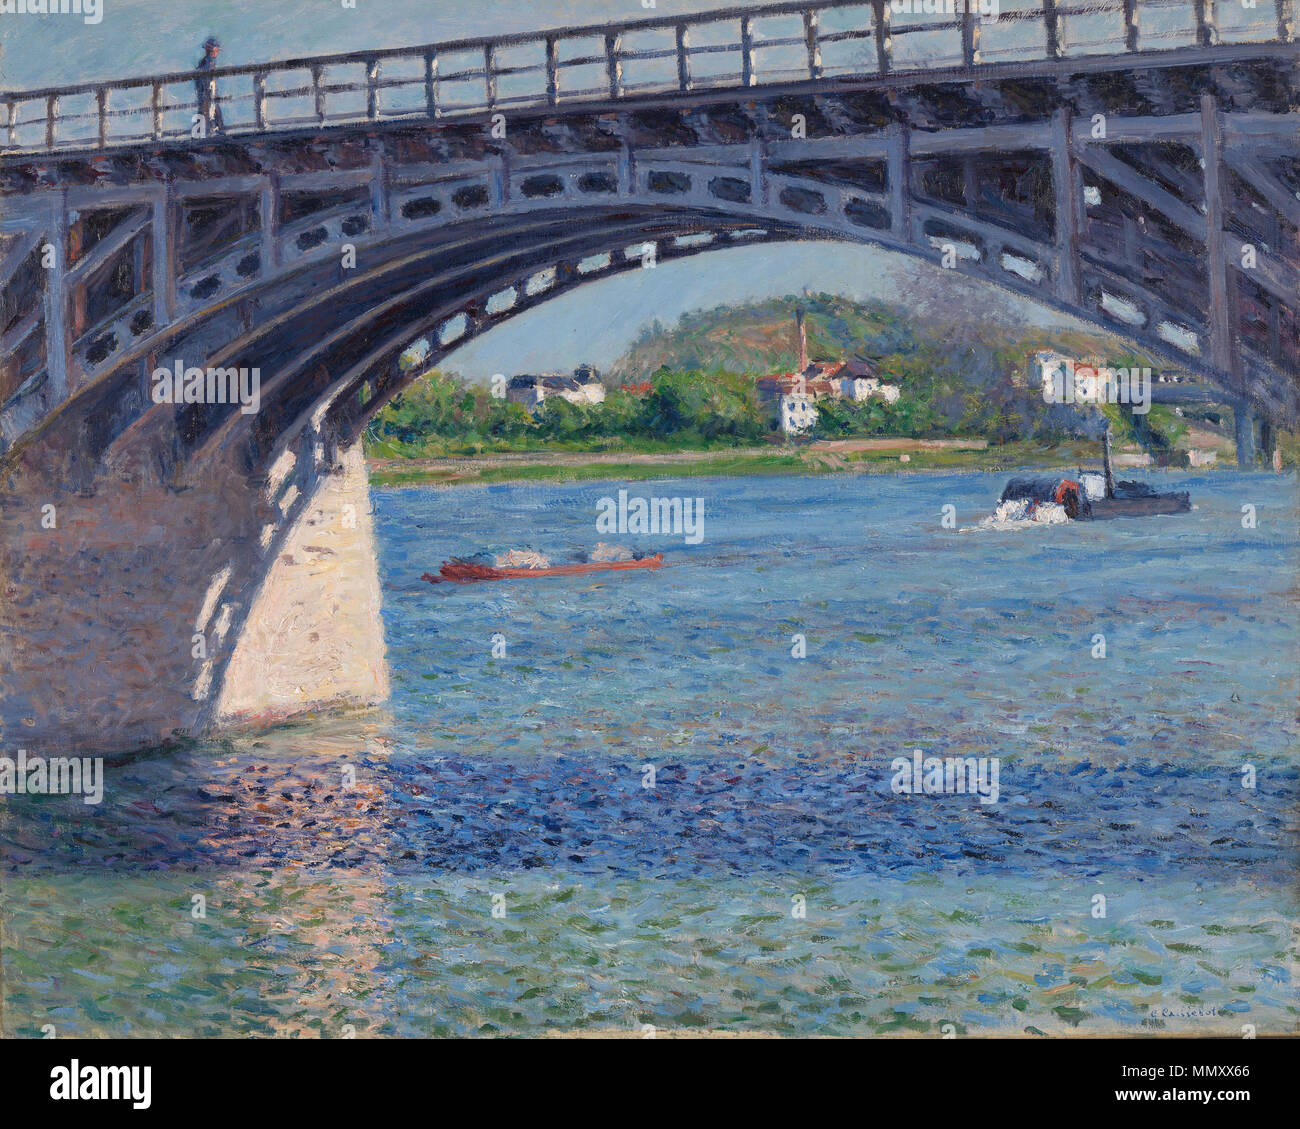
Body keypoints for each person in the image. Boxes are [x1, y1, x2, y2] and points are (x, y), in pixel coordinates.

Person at [194, 37, 225, 134]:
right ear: (213, 50)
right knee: (214, 116)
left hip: (203, 95)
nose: (218, 52)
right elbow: (208, 81)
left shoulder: (204, 62)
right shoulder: (209, 63)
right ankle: (218, 135)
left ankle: (197, 135)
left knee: (203, 115)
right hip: (208, 95)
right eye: (217, 50)